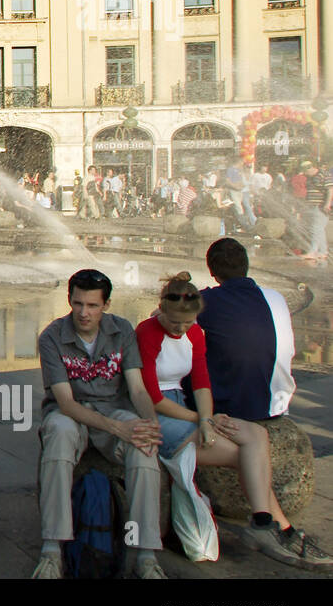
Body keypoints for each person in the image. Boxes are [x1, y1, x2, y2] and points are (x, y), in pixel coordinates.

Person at [136, 272, 330, 569]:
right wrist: (203, 420)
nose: (180, 329)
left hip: (187, 408)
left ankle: (265, 522)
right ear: (161, 309)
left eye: (188, 322)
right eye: (174, 322)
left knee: (256, 435)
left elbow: (201, 382)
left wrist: (207, 417)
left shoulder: (195, 333)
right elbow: (152, 397)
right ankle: (275, 526)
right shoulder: (147, 332)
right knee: (244, 455)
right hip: (155, 414)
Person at [33, 268, 165, 579]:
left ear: (106, 305)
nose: (83, 313)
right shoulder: (52, 337)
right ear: (69, 300)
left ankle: (145, 554)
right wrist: (119, 429)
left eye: (92, 306)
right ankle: (52, 550)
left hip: (114, 407)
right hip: (71, 413)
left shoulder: (122, 331)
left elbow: (137, 389)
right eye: (78, 304)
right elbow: (66, 403)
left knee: (144, 445)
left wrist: (150, 422)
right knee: (59, 436)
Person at [195, 238, 296, 423]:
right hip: (278, 401)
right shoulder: (275, 297)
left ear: (212, 271)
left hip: (234, 406)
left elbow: (165, 316)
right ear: (246, 265)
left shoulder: (208, 300)